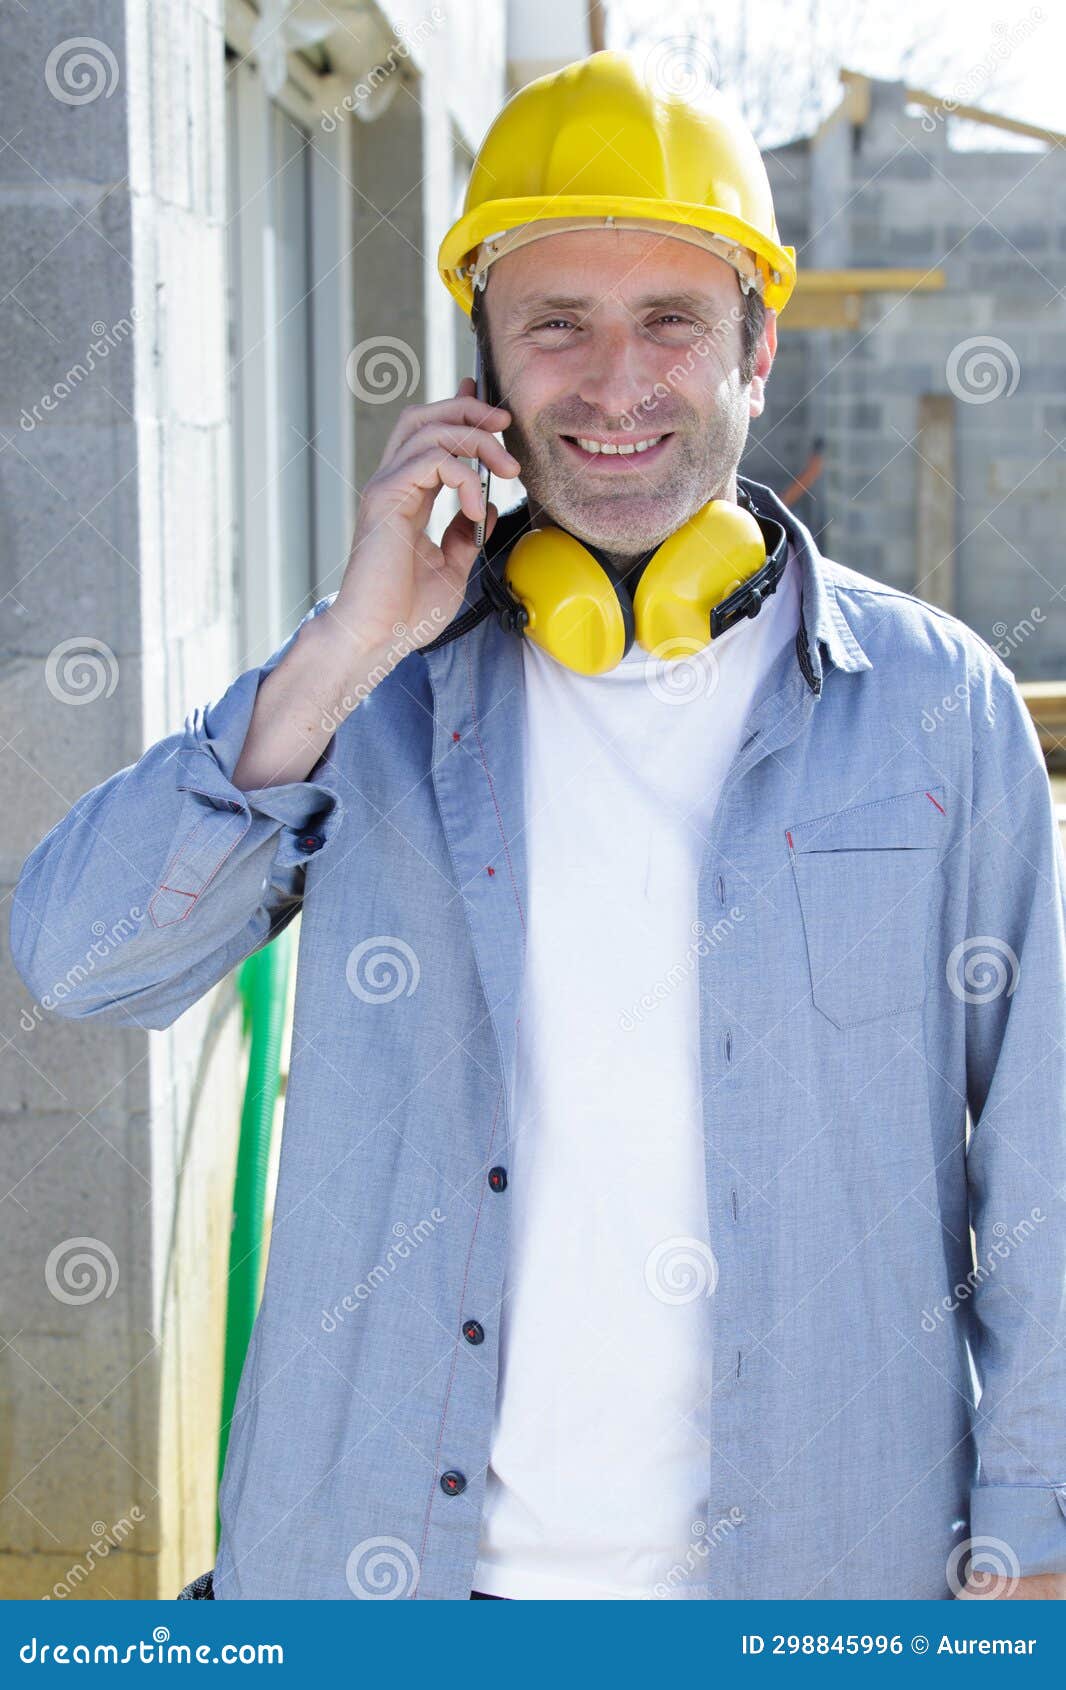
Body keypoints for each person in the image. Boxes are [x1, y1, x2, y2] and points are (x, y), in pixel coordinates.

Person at [11, 50, 1066, 1602]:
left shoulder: (934, 710)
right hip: (397, 1587)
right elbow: (77, 961)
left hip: (814, 1589)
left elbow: (1040, 1161)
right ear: (483, 371)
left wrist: (1032, 1551)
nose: (614, 382)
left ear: (755, 349)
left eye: (670, 325)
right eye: (554, 325)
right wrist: (334, 650)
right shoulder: (368, 684)